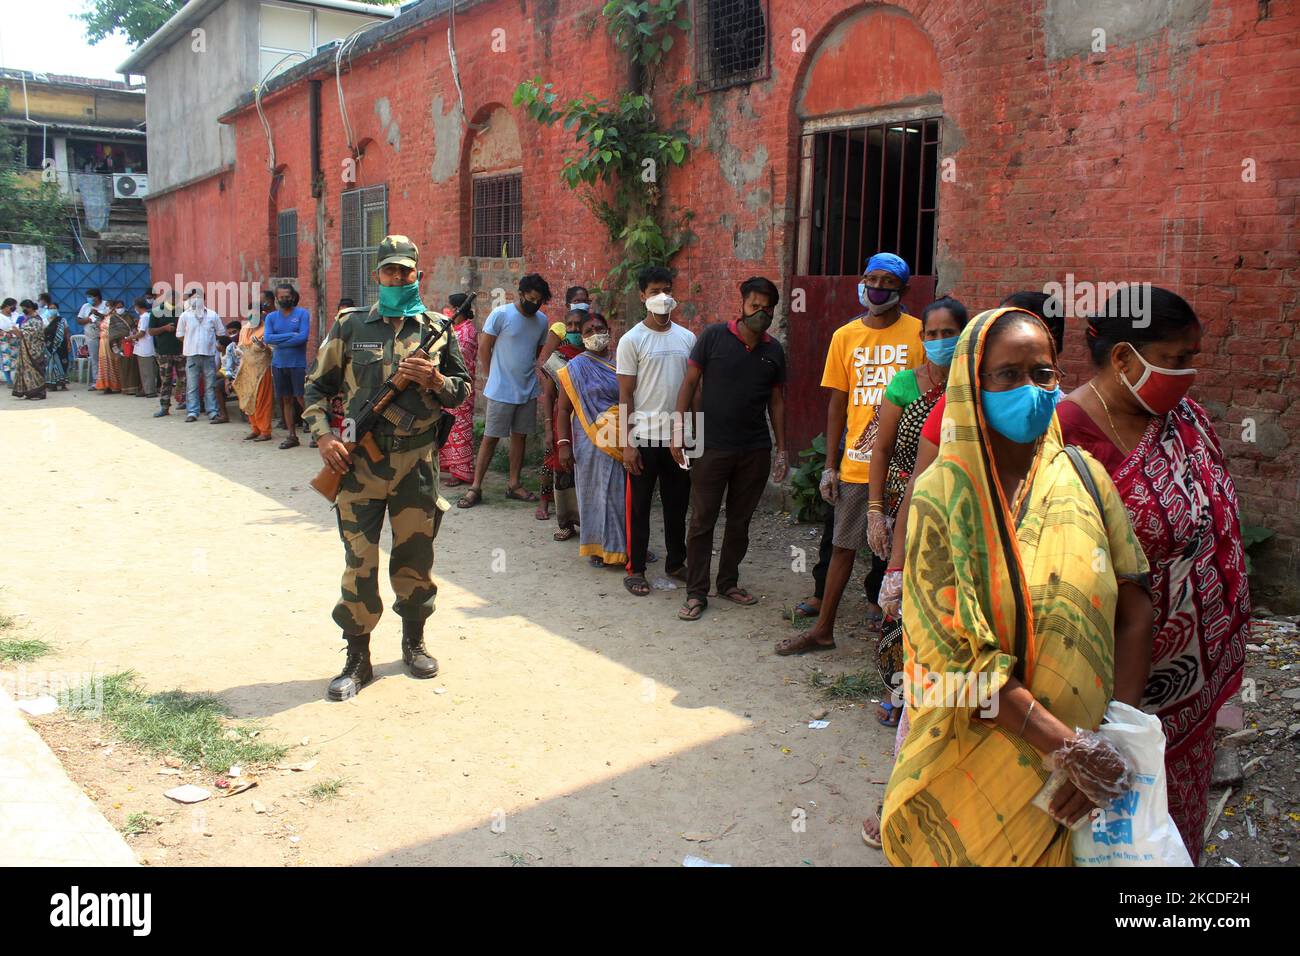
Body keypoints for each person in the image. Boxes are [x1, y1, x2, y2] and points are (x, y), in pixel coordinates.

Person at [881, 306, 1155, 866]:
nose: (1030, 389)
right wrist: (1067, 748)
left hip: (1090, 764)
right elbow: (950, 670)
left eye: (1044, 374)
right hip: (978, 762)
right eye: (1008, 374)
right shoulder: (943, 495)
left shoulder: (1085, 478)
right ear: (972, 386)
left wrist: (1113, 742)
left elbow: (1134, 611)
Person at [1059, 287, 1250, 864]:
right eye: (1172, 360)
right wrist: (1116, 723)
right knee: (1104, 829)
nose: (1187, 374)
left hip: (1192, 681)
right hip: (1107, 682)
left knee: (1169, 825)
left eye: (1193, 357)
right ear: (1123, 359)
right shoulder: (1066, 435)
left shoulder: (1183, 417)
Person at [305, 235, 471, 700]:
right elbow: (316, 389)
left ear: (418, 272)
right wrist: (323, 437)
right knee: (360, 561)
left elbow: (462, 391)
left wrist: (437, 380)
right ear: (376, 274)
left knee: (416, 558)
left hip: (417, 464)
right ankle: (357, 658)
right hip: (360, 463)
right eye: (390, 271)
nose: (398, 278)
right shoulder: (351, 327)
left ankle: (414, 642)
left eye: (406, 271)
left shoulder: (438, 328)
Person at [776, 252, 925, 655]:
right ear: (862, 281)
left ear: (902, 290)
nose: (877, 289)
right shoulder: (845, 336)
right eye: (872, 279)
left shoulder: (920, 334)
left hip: (909, 463)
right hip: (858, 462)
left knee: (904, 555)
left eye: (887, 283)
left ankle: (898, 645)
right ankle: (824, 628)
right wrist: (829, 466)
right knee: (843, 546)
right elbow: (837, 404)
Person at [865, 297, 969, 721]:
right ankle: (896, 692)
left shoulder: (973, 389)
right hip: (901, 502)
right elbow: (882, 449)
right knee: (898, 598)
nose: (940, 341)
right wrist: (875, 511)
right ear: (922, 337)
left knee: (941, 603)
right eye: (932, 334)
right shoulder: (905, 384)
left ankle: (936, 691)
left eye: (949, 333)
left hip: (953, 505)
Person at [672, 276, 788, 620]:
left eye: (767, 309)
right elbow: (689, 383)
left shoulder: (774, 350)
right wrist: (678, 432)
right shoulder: (713, 337)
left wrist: (782, 448)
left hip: (754, 449)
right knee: (702, 520)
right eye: (755, 306)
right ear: (742, 305)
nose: (761, 313)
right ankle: (696, 592)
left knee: (740, 520)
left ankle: (728, 582)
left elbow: (777, 403)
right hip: (711, 446)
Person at [618, 265, 696, 596]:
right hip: (643, 437)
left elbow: (694, 391)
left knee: (678, 505)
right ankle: (635, 568)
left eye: (667, 290)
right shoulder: (631, 340)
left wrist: (694, 435)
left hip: (680, 439)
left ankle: (676, 563)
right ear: (642, 296)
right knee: (639, 508)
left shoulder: (688, 338)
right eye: (654, 292)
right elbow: (624, 394)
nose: (662, 298)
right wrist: (627, 443)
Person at [456, 273, 552, 508]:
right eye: (530, 298)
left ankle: (514, 484)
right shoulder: (501, 314)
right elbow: (485, 347)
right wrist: (491, 376)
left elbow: (536, 351)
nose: (534, 303)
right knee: (490, 437)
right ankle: (476, 487)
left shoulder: (541, 320)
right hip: (500, 389)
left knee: (520, 437)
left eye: (539, 300)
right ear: (520, 294)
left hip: (527, 389)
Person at [556, 312, 628, 568]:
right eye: (588, 331)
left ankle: (625, 547)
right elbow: (563, 410)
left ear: (609, 331)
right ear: (582, 337)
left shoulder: (624, 361)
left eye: (599, 328)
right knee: (595, 494)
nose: (595, 334)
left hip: (622, 437)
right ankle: (598, 547)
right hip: (589, 439)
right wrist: (563, 445)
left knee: (621, 494)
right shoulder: (575, 368)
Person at [538, 308, 585, 533]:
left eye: (579, 325)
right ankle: (566, 523)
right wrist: (549, 427)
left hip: (588, 425)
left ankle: (588, 522)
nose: (575, 329)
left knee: (586, 473)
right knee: (563, 470)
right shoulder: (557, 358)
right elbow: (549, 395)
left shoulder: (595, 355)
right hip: (562, 423)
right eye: (571, 325)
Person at [438, 292, 479, 487]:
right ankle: (451, 467)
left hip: (461, 388)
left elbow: (459, 357)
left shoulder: (466, 332)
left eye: (450, 307)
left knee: (460, 429)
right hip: (451, 386)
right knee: (449, 428)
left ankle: (462, 472)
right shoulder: (458, 328)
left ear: (456, 309)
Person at [264, 283, 311, 447]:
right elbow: (268, 339)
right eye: (281, 297)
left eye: (287, 296)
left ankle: (317, 434)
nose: (285, 299)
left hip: (297, 364)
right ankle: (292, 436)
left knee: (301, 397)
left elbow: (303, 338)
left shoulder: (302, 314)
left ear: (293, 296)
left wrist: (280, 340)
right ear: (276, 298)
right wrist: (291, 335)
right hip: (278, 364)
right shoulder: (271, 317)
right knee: (286, 400)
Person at [176, 291, 225, 422]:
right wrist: (190, 343)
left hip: (208, 355)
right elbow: (179, 335)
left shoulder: (212, 315)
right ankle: (192, 412)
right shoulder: (185, 316)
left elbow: (221, 332)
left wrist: (209, 342)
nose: (196, 300)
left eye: (199, 298)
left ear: (204, 299)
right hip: (191, 355)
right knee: (192, 385)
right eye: (193, 298)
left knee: (210, 385)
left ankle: (212, 411)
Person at [234, 306, 274, 442]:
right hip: (246, 369)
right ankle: (255, 428)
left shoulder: (267, 329)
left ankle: (265, 430)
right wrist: (238, 351)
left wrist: (264, 347)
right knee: (248, 399)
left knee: (262, 400)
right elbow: (240, 346)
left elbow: (272, 350)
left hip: (262, 370)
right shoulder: (244, 329)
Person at [150, 293, 185, 417]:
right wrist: (164, 328)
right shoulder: (156, 312)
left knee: (185, 379)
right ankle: (164, 407)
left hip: (181, 351)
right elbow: (151, 331)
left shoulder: (182, 311)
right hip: (164, 352)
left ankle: (188, 404)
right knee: (166, 381)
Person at [78, 288, 108, 389]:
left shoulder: (105, 305)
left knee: (106, 358)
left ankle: (107, 381)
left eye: (91, 297)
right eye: (88, 297)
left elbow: (110, 318)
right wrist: (88, 318)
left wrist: (98, 314)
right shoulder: (85, 306)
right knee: (95, 358)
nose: (89, 299)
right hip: (91, 336)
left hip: (105, 336)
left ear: (97, 297)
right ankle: (96, 381)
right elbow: (79, 320)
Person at [130, 297, 159, 398]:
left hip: (146, 348)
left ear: (138, 307)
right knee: (143, 370)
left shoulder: (145, 317)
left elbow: (142, 333)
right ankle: (145, 388)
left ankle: (150, 390)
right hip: (141, 347)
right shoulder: (143, 317)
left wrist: (131, 337)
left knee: (148, 371)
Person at [42, 302, 70, 391]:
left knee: (63, 363)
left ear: (57, 309)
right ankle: (52, 384)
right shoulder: (44, 320)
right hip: (49, 346)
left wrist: (69, 343)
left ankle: (62, 384)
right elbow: (42, 333)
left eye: (54, 308)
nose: (52, 310)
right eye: (50, 308)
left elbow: (66, 332)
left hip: (61, 345)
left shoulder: (62, 320)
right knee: (50, 364)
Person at [0, 299, 17, 386]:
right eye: (12, 306)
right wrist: (5, 333)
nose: (14, 308)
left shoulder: (15, 315)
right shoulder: (0, 316)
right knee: (6, 360)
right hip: (3, 341)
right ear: (6, 306)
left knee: (15, 359)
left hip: (14, 339)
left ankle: (16, 379)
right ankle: (9, 381)